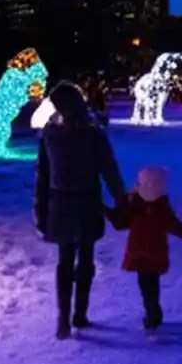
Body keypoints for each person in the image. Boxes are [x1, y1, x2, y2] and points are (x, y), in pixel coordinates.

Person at [35, 82, 126, 339]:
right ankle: (79, 314)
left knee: (65, 261)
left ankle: (64, 319)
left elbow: (42, 175)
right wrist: (122, 199)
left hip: (60, 202)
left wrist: (40, 210)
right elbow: (109, 171)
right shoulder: (94, 135)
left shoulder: (50, 134)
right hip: (87, 201)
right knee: (85, 258)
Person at [108, 166, 182, 330]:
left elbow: (120, 222)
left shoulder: (135, 203)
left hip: (139, 251)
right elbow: (176, 227)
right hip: (154, 252)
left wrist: (106, 210)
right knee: (151, 282)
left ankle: (152, 312)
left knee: (145, 283)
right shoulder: (159, 207)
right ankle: (153, 311)